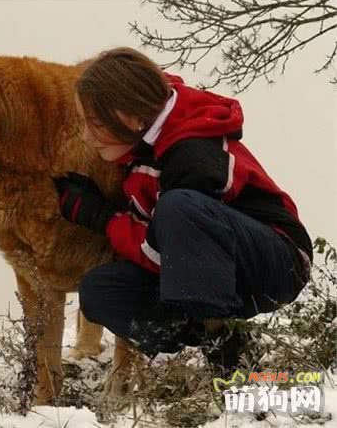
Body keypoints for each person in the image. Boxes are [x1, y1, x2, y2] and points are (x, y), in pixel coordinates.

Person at [53, 47, 312, 370]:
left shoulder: (192, 154)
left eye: (94, 123)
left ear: (131, 116)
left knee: (179, 207)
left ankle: (229, 360)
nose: (88, 137)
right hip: (215, 267)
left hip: (277, 259)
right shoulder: (142, 145)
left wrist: (100, 216)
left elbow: (164, 253)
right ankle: (216, 337)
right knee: (100, 290)